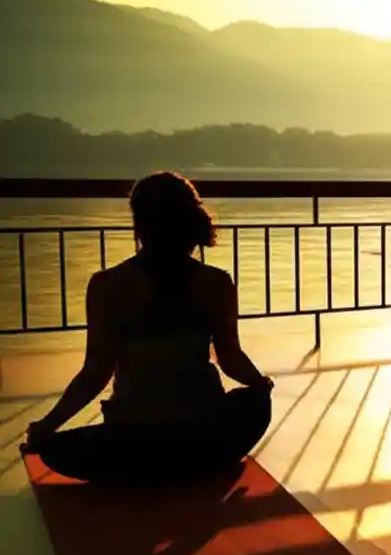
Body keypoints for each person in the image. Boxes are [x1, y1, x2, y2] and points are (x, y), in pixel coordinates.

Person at [22, 171, 274, 484]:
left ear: (139, 226)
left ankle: (143, 466)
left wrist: (48, 425)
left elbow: (95, 373)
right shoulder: (216, 283)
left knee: (56, 449)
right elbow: (231, 358)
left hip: (134, 440)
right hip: (203, 436)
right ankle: (187, 462)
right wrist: (260, 384)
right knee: (256, 402)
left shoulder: (107, 286)